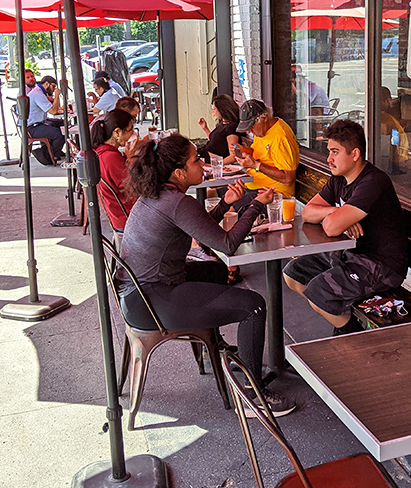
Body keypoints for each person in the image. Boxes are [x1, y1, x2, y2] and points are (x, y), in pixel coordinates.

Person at [119, 134, 295, 416]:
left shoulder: (159, 195)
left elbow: (202, 232)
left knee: (215, 268)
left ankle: (218, 347)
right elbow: (226, 243)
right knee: (254, 306)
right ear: (179, 172)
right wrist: (256, 205)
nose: (202, 164)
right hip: (153, 301)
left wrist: (225, 204)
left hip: (138, 293)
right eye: (195, 160)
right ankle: (252, 395)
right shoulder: (177, 202)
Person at [283, 119, 410, 335]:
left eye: (335, 152)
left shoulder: (373, 182)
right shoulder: (339, 179)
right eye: (329, 151)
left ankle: (353, 335)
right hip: (353, 256)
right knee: (293, 274)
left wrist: (337, 218)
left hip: (382, 265)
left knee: (319, 294)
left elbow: (332, 229)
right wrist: (335, 212)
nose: (329, 159)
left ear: (355, 154)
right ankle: (342, 319)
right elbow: (308, 213)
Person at [233, 99, 300, 197]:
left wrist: (256, 165)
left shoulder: (280, 137)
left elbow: (288, 179)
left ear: (264, 117)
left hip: (273, 194)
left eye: (251, 126)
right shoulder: (262, 130)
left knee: (229, 210)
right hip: (254, 188)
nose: (248, 132)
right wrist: (243, 151)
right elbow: (256, 152)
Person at [91, 109, 138, 246]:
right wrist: (132, 160)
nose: (132, 134)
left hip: (118, 216)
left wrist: (128, 158)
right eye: (130, 130)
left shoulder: (102, 152)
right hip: (127, 217)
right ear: (117, 132)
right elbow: (135, 187)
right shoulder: (110, 158)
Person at [27, 75, 65, 163]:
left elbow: (52, 108)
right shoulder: (38, 94)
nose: (53, 89)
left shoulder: (40, 92)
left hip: (39, 122)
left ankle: (56, 150)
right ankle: (50, 156)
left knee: (62, 123)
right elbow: (53, 111)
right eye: (53, 86)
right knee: (60, 133)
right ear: (47, 84)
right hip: (32, 127)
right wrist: (56, 96)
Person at [198, 94, 240, 163]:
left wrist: (216, 165)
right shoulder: (222, 124)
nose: (213, 111)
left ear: (221, 110)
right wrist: (205, 128)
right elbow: (214, 142)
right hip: (203, 155)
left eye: (214, 109)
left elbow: (233, 156)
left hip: (208, 161)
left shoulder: (230, 128)